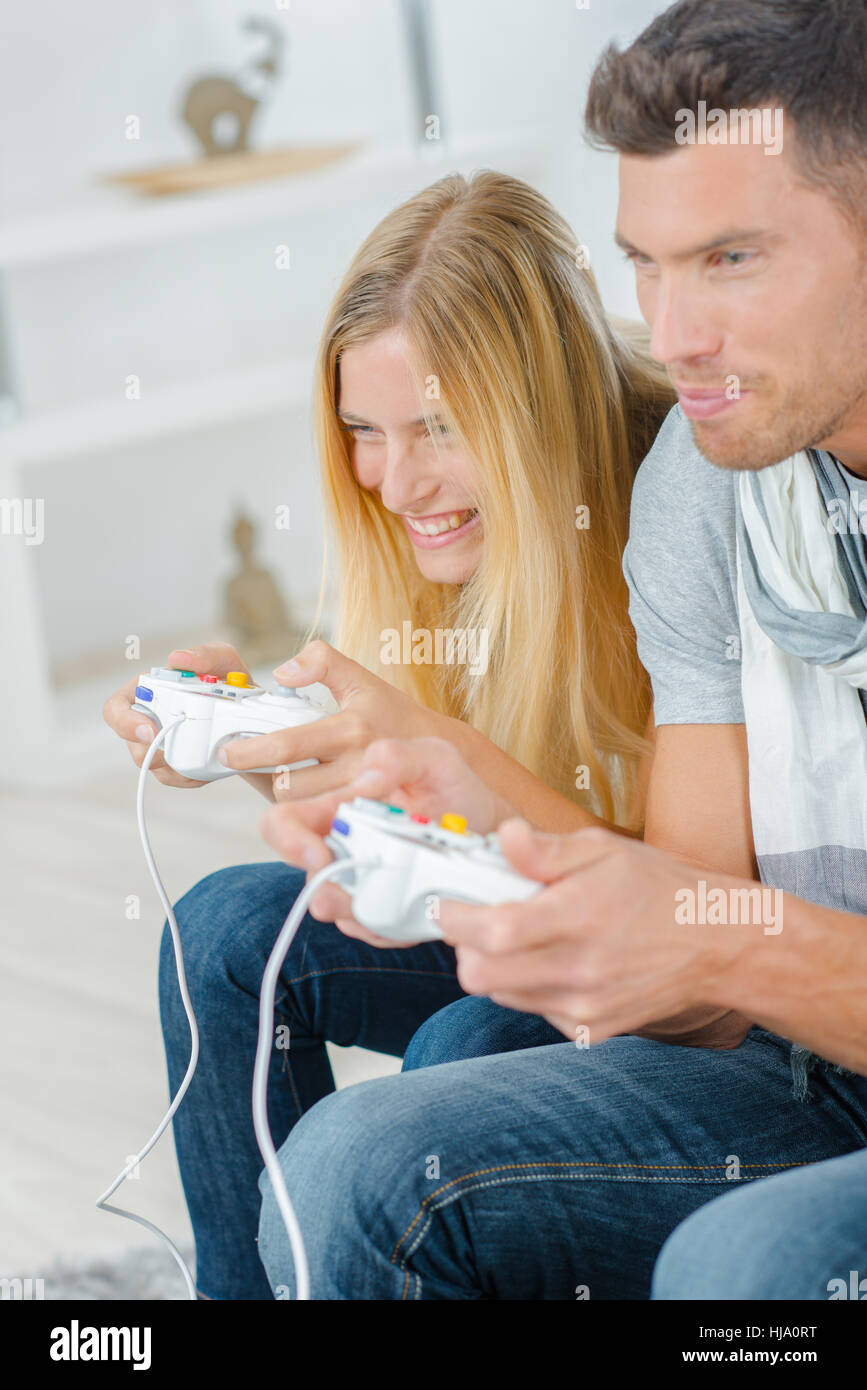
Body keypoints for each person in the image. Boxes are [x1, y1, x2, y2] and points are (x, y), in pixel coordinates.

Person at [257, 0, 867, 1300]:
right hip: (801, 1065)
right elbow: (704, 978)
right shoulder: (704, 489)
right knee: (353, 1163)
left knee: (738, 1265)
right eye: (645, 264)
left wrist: (715, 941)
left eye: (729, 260)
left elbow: (718, 945)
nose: (670, 329)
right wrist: (470, 805)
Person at [102, 171, 674, 1299]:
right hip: (528, 894)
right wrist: (259, 741)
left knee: (462, 1054)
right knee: (217, 936)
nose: (394, 480)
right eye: (364, 430)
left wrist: (445, 766)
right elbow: (442, 814)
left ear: (533, 407)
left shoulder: (681, 500)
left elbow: (688, 897)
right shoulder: (437, 527)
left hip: (676, 964)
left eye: (440, 429)